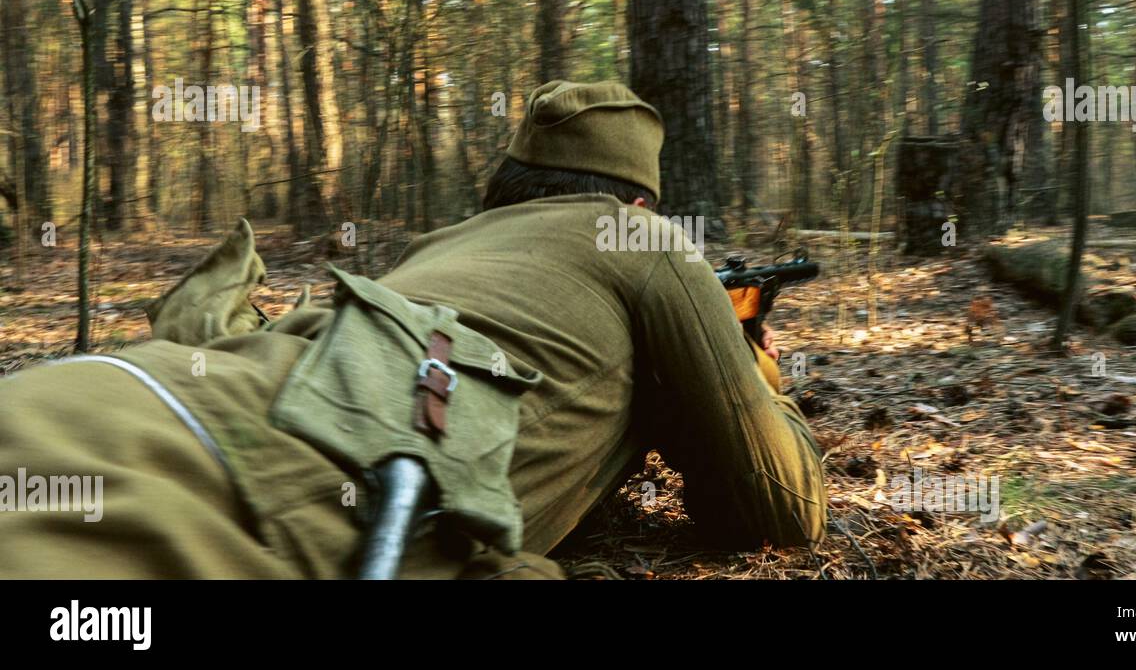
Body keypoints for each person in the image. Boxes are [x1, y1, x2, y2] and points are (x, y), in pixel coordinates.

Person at [0, 80, 826, 579]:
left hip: (112, 396)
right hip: (270, 499)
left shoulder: (438, 245)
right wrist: (756, 368)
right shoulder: (644, 240)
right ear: (637, 201)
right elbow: (781, 509)